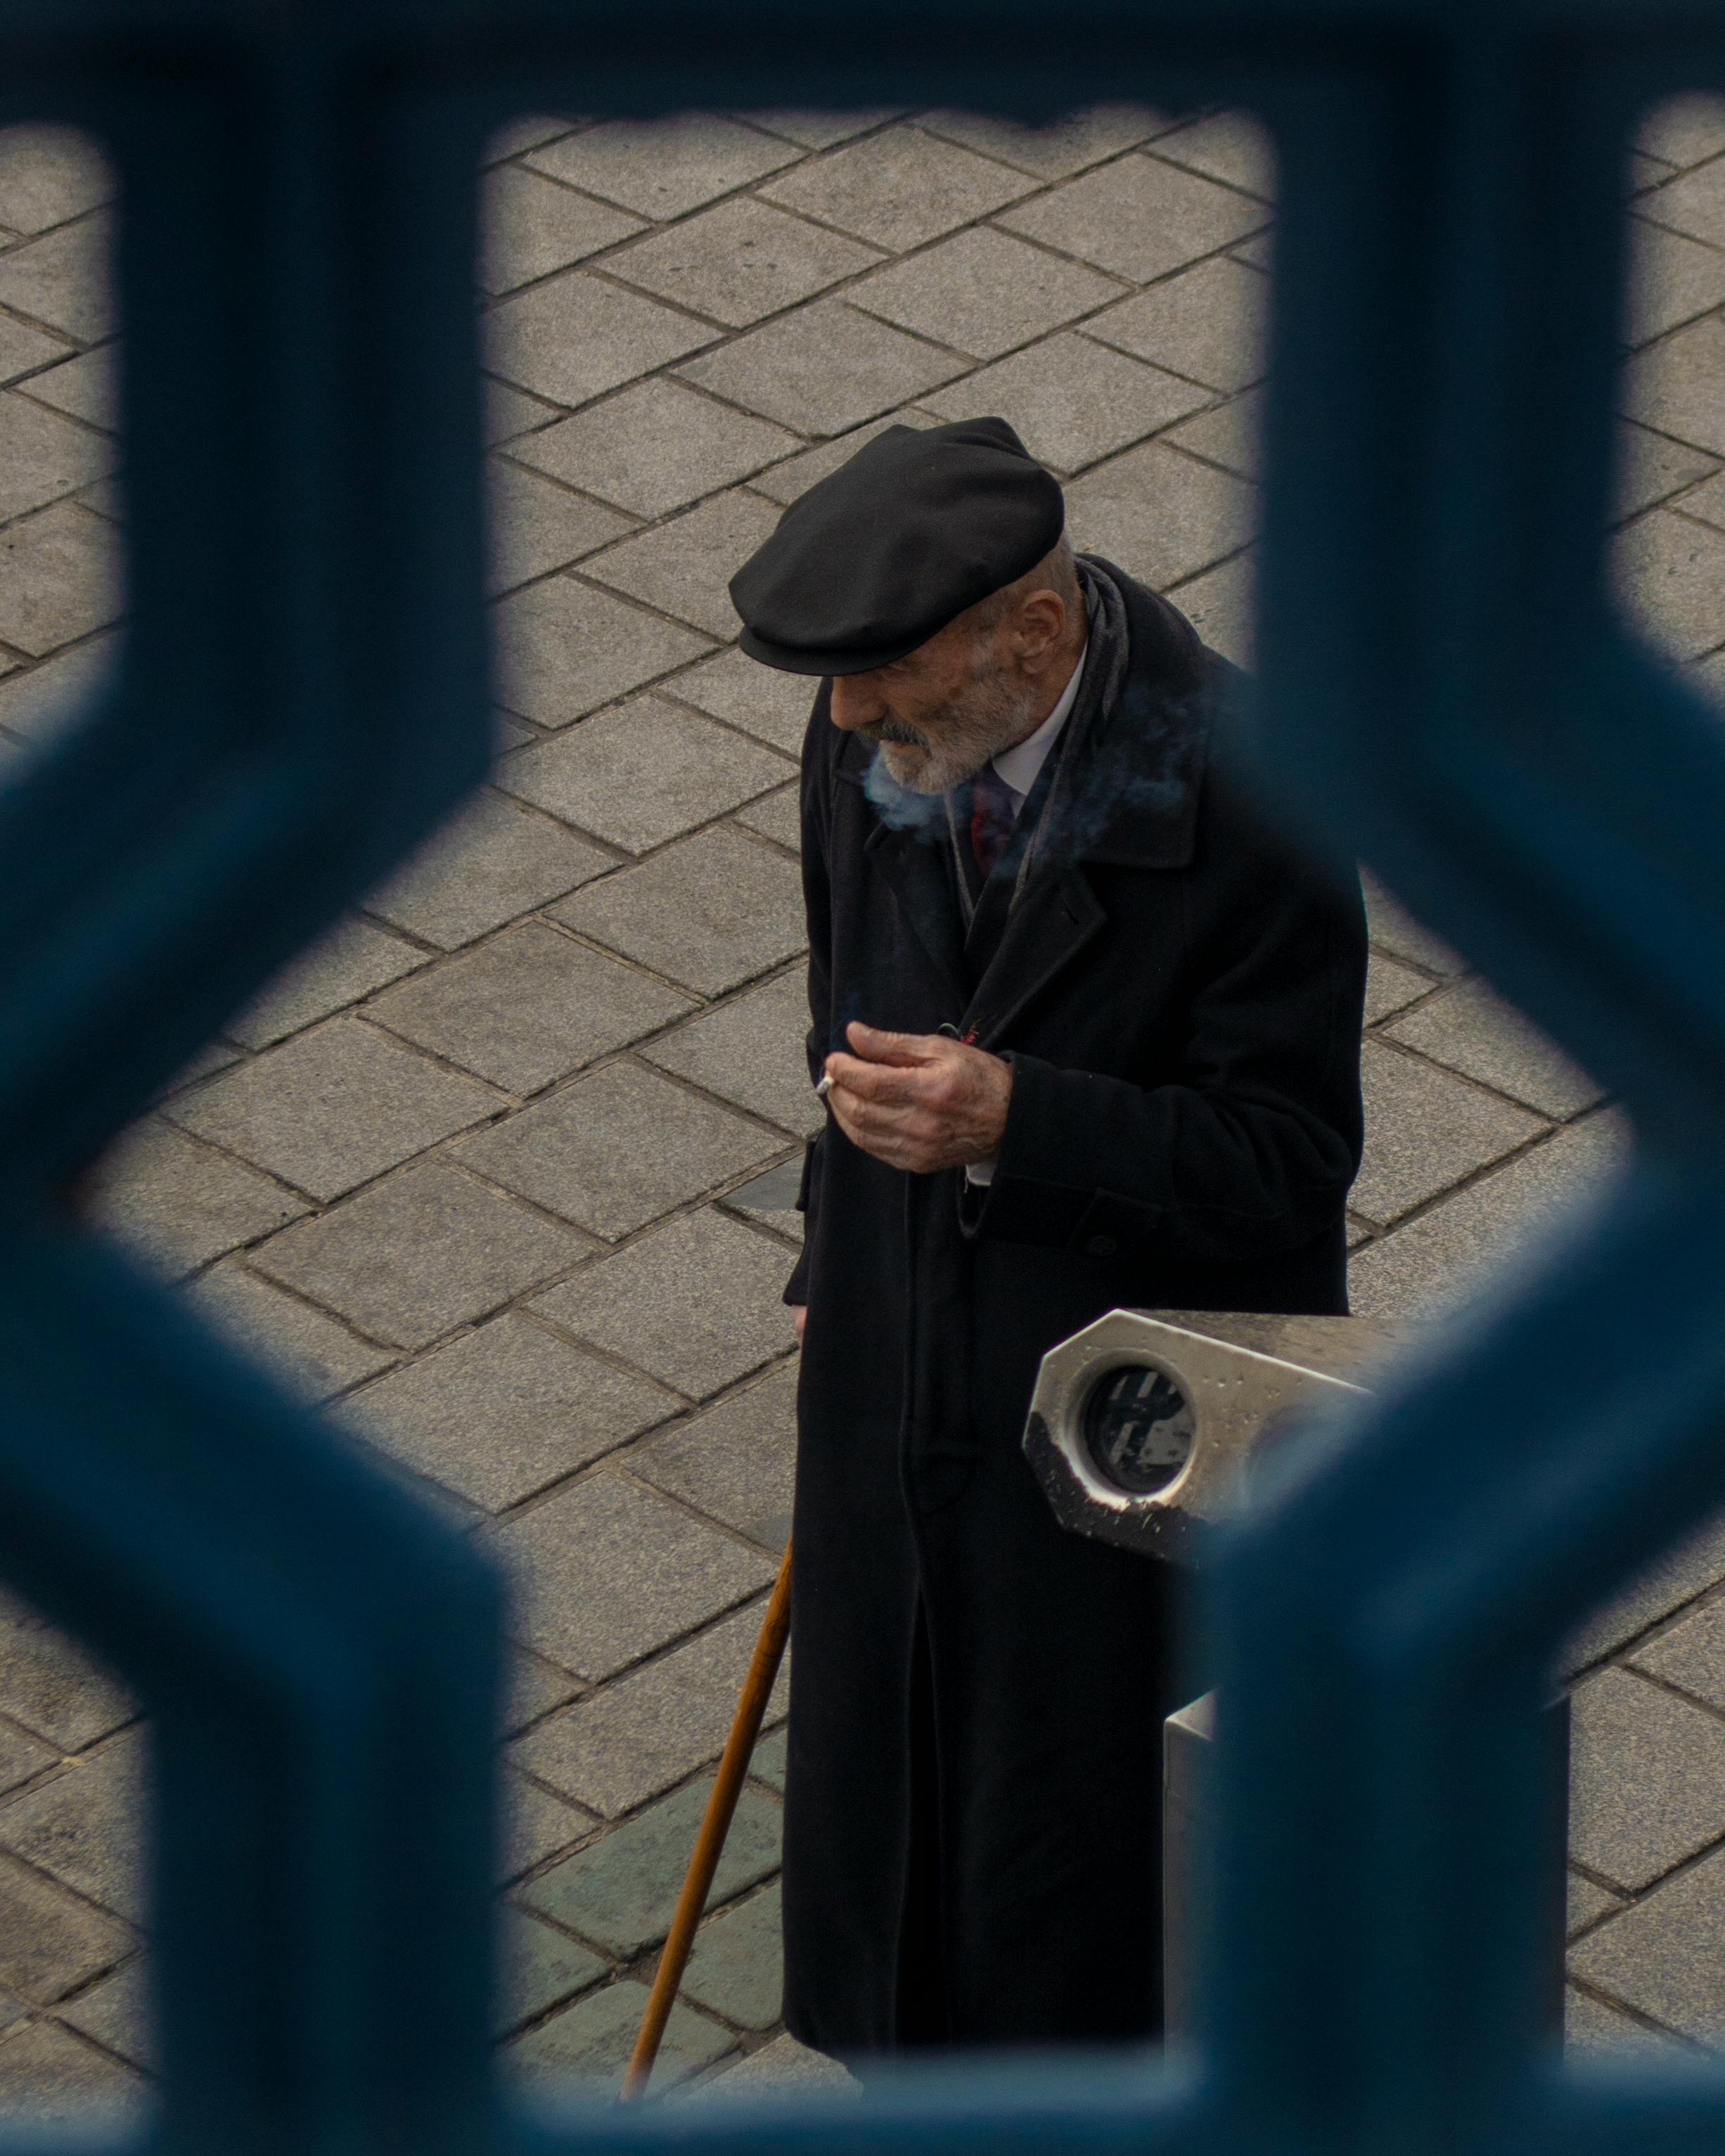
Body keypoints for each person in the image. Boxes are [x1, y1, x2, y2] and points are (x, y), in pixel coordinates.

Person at [728, 416, 1366, 2062]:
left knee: (1064, 1881)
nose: (849, 715)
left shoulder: (1258, 798)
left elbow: (1289, 1165)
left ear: (1035, 632)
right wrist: (831, 1246)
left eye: (888, 675)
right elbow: (843, 1016)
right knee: (889, 1839)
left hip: (1121, 1427)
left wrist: (1022, 1115)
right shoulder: (875, 734)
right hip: (896, 1366)